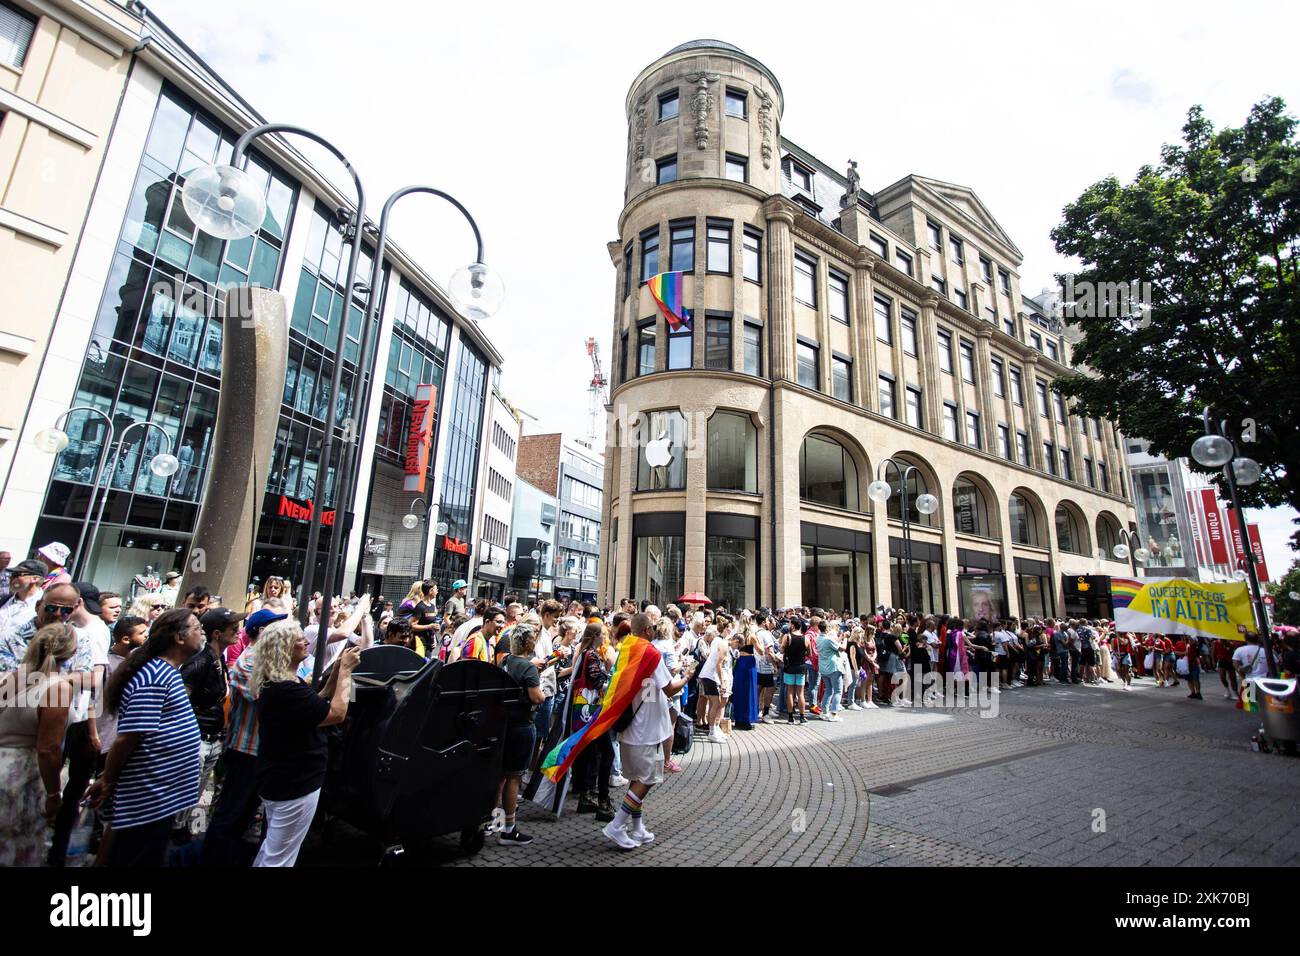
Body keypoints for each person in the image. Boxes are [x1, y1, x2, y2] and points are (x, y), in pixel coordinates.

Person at [85, 608, 202, 866]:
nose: (201, 632)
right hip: (148, 796)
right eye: (196, 628)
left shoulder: (167, 672)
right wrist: (108, 779)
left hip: (159, 795)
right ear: (179, 638)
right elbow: (128, 737)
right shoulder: (154, 676)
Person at [249, 619, 359, 866]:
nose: (306, 642)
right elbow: (336, 714)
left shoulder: (281, 683)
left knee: (273, 846)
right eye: (299, 639)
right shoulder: (286, 690)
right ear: (284, 648)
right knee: (280, 857)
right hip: (296, 782)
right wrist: (346, 674)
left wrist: (336, 672)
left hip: (282, 777)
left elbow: (315, 704)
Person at [201, 606, 287, 866]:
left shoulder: (270, 661)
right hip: (246, 749)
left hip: (261, 750)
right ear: (262, 631)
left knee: (245, 812)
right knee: (231, 812)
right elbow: (274, 701)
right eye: (277, 627)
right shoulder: (250, 660)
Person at [603, 613, 687, 851]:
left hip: (632, 728)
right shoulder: (650, 654)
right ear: (648, 630)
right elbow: (669, 689)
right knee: (645, 780)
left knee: (636, 780)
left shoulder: (627, 651)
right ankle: (617, 825)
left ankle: (637, 827)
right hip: (646, 729)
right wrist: (688, 676)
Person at [0, 623, 77, 866]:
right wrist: (54, 793)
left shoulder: (12, 678)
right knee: (16, 849)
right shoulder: (57, 687)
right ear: (71, 652)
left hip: (4, 764)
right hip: (22, 776)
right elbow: (48, 749)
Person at [498, 623, 543, 846]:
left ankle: (490, 821)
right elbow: (537, 698)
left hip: (503, 722)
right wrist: (540, 691)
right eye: (534, 638)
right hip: (522, 725)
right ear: (527, 642)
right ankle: (508, 828)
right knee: (514, 776)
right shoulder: (528, 667)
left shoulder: (505, 661)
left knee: (500, 775)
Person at [572, 622, 616, 822]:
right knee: (603, 752)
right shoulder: (591, 655)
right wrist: (613, 683)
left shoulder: (585, 652)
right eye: (603, 634)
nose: (605, 637)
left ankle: (585, 794)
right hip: (591, 709)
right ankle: (596, 797)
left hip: (583, 708)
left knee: (591, 751)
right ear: (596, 635)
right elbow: (597, 679)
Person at [0, 559, 47, 640]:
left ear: (35, 579)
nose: (12, 578)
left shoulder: (44, 607)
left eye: (18, 574)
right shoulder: (5, 600)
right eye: (12, 574)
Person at [781, 623, 808, 723]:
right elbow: (808, 653)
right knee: (800, 693)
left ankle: (790, 717)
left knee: (790, 692)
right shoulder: (805, 638)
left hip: (789, 667)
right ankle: (802, 717)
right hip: (801, 667)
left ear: (792, 625)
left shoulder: (787, 637)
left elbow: (782, 649)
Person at [816, 625, 844, 721]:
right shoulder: (828, 639)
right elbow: (842, 648)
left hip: (823, 667)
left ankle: (824, 712)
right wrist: (845, 638)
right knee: (838, 691)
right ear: (827, 628)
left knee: (828, 690)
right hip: (833, 667)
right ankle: (834, 713)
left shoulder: (818, 638)